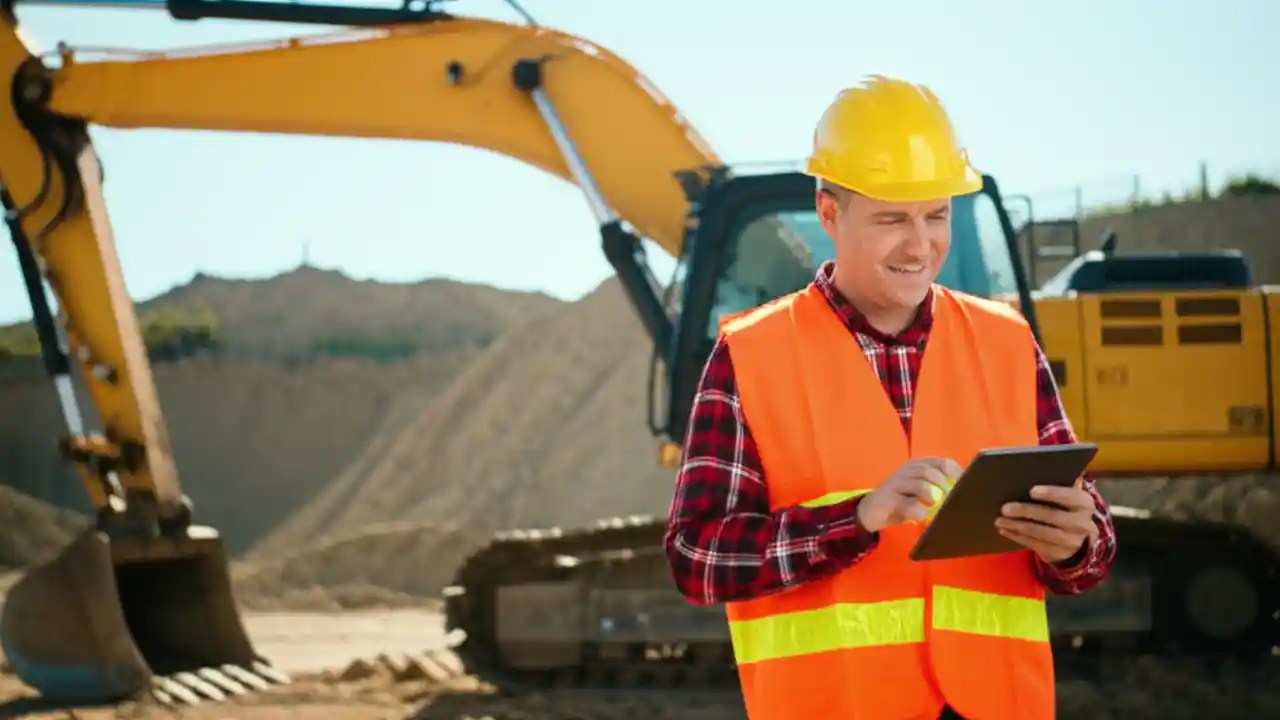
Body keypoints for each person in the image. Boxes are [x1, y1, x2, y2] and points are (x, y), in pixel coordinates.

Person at [662, 75, 1117, 720]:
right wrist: (854, 520)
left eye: (936, 216)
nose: (920, 244)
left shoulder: (1008, 342)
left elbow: (1092, 542)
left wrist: (1075, 541)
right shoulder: (751, 354)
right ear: (829, 213)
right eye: (892, 219)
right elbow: (696, 557)